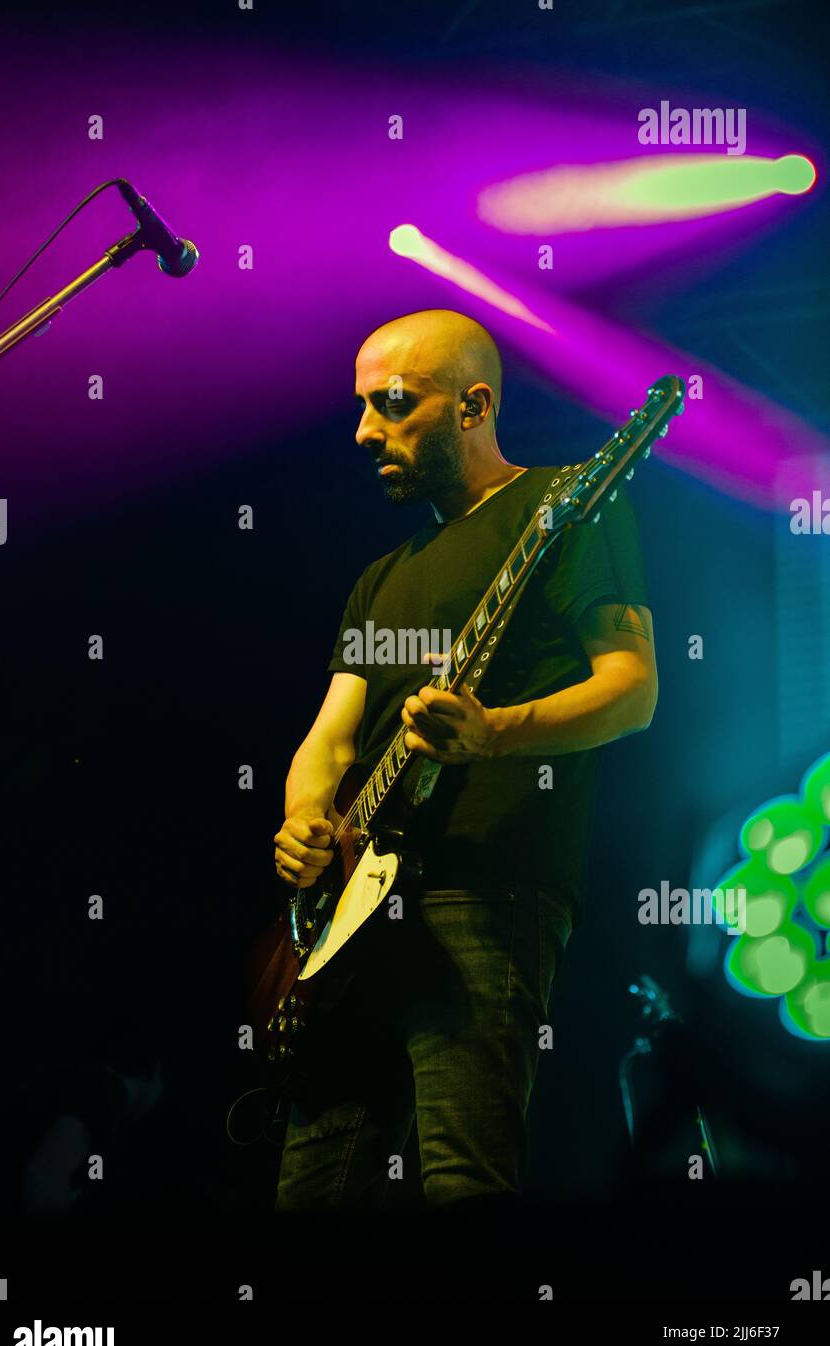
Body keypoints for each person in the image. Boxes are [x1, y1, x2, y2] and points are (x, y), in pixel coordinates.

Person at [271, 308, 657, 1211]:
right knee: (310, 1191)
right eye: (362, 406)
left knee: (463, 1179)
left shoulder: (563, 507)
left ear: (473, 404)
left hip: (487, 887)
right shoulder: (382, 575)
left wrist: (495, 733)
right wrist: (299, 821)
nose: (365, 431)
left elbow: (632, 691)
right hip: (345, 919)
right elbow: (329, 739)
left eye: (393, 404)